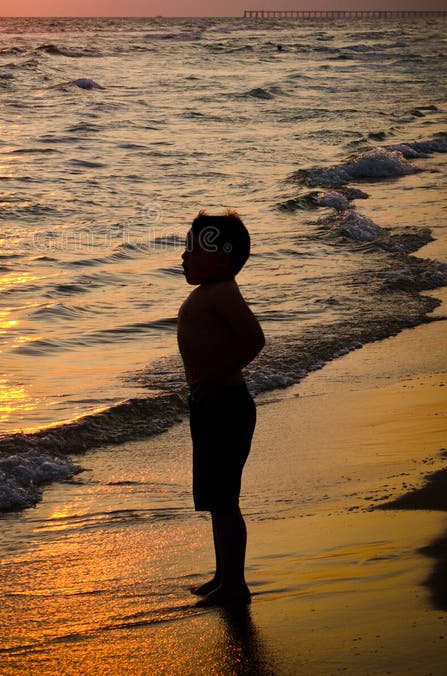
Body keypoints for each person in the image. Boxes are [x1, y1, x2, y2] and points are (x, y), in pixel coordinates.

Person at [177, 209, 265, 607]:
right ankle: (223, 575)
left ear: (223, 257)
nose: (184, 257)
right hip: (211, 404)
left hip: (226, 405)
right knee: (216, 499)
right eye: (186, 248)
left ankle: (236, 585)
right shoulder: (209, 292)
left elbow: (253, 339)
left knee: (226, 500)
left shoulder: (224, 291)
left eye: (194, 250)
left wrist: (213, 378)